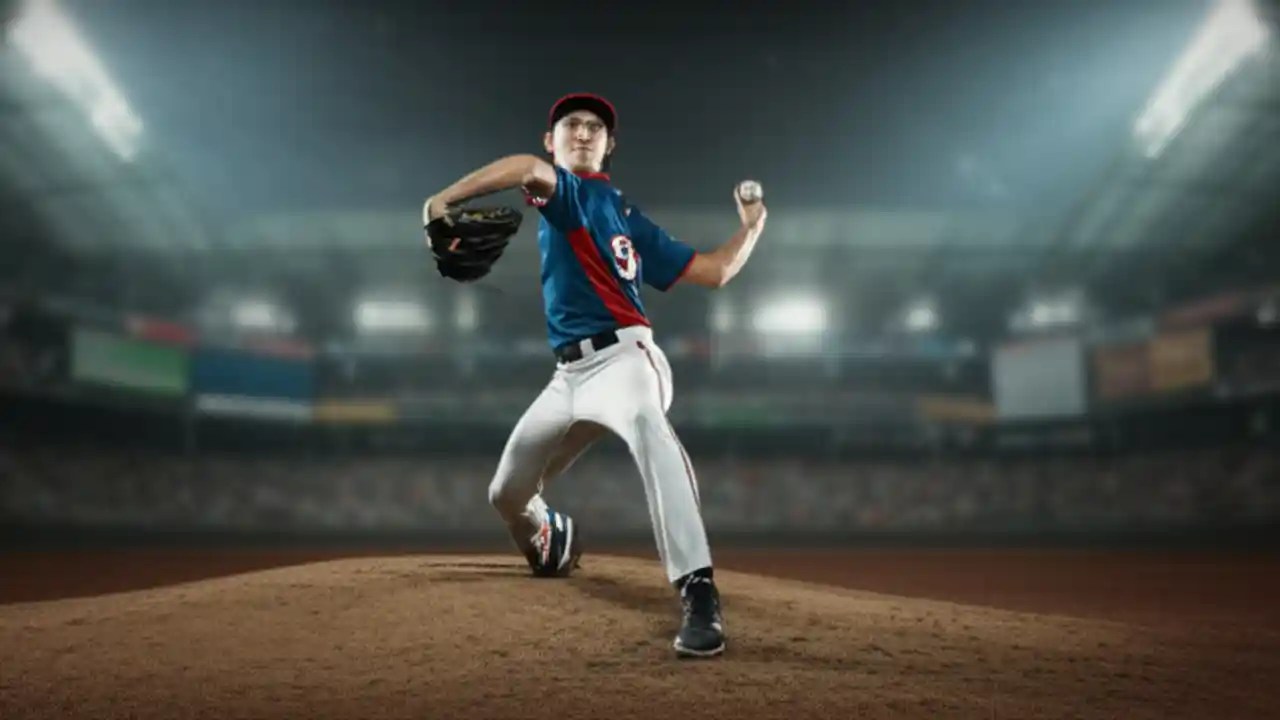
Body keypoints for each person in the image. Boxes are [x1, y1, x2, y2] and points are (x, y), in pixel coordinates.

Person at [422, 93, 767, 658]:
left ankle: (698, 588)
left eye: (595, 127)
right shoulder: (573, 196)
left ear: (610, 146)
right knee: (506, 492)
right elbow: (530, 172)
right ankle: (552, 538)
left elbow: (714, 271)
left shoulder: (606, 206)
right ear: (551, 139)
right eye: (571, 125)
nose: (583, 132)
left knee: (646, 425)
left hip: (627, 361)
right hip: (568, 375)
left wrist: (752, 227)